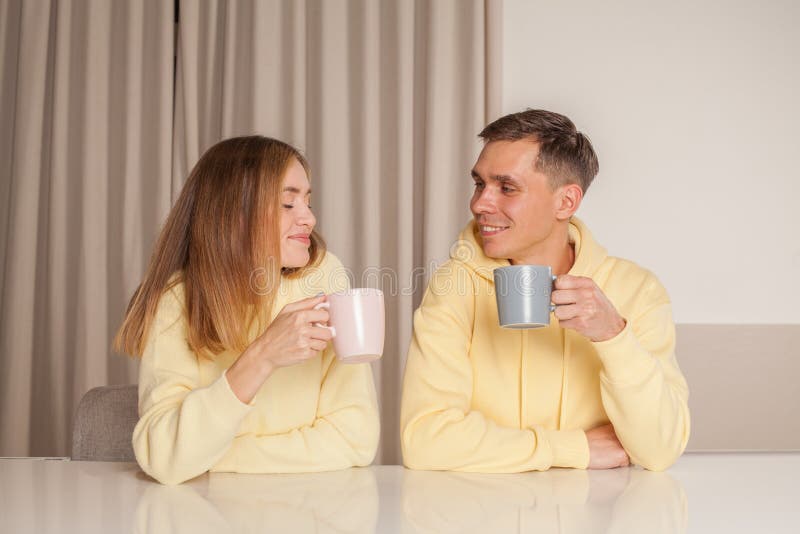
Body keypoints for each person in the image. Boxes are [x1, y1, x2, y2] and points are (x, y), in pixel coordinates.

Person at [400, 109, 690, 472]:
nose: (479, 204)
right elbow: (425, 443)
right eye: (479, 184)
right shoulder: (453, 286)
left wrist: (613, 336)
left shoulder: (638, 290)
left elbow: (659, 450)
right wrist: (573, 448)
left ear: (566, 202)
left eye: (506, 188)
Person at [115, 136, 379, 485]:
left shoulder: (325, 276)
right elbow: (163, 456)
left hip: (312, 512)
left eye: (307, 202)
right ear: (233, 214)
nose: (310, 219)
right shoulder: (179, 299)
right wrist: (262, 356)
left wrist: (210, 458)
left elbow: (355, 438)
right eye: (288, 204)